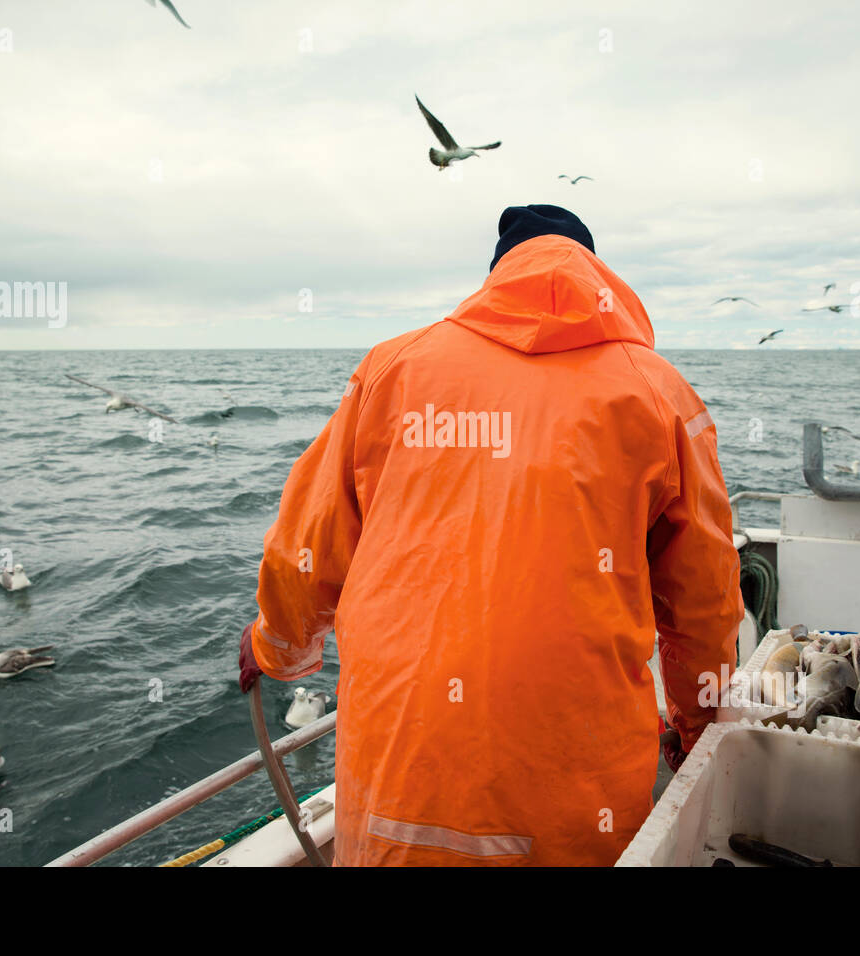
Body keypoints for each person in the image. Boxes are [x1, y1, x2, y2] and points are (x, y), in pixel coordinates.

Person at [238, 204, 743, 866]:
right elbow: (704, 600)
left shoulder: (393, 370)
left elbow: (309, 544)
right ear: (599, 276)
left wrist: (275, 646)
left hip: (398, 780)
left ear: (495, 277)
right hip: (573, 797)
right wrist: (697, 725)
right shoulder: (660, 393)